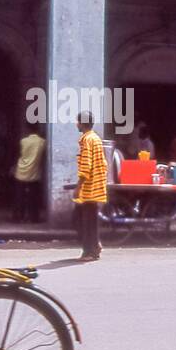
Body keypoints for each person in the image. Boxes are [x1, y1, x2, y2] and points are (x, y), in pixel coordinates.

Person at [74, 111, 107, 261]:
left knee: (86, 220)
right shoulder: (96, 138)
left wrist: (78, 186)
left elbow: (86, 165)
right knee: (92, 219)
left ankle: (89, 251)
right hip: (98, 185)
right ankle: (96, 245)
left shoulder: (86, 139)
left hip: (89, 186)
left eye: (77, 121)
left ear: (82, 123)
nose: (76, 124)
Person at [12, 123, 46, 223]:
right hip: (34, 174)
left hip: (21, 172)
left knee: (20, 196)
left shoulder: (23, 141)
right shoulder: (42, 142)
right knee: (34, 197)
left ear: (27, 130)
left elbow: (18, 155)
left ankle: (19, 217)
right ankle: (33, 218)